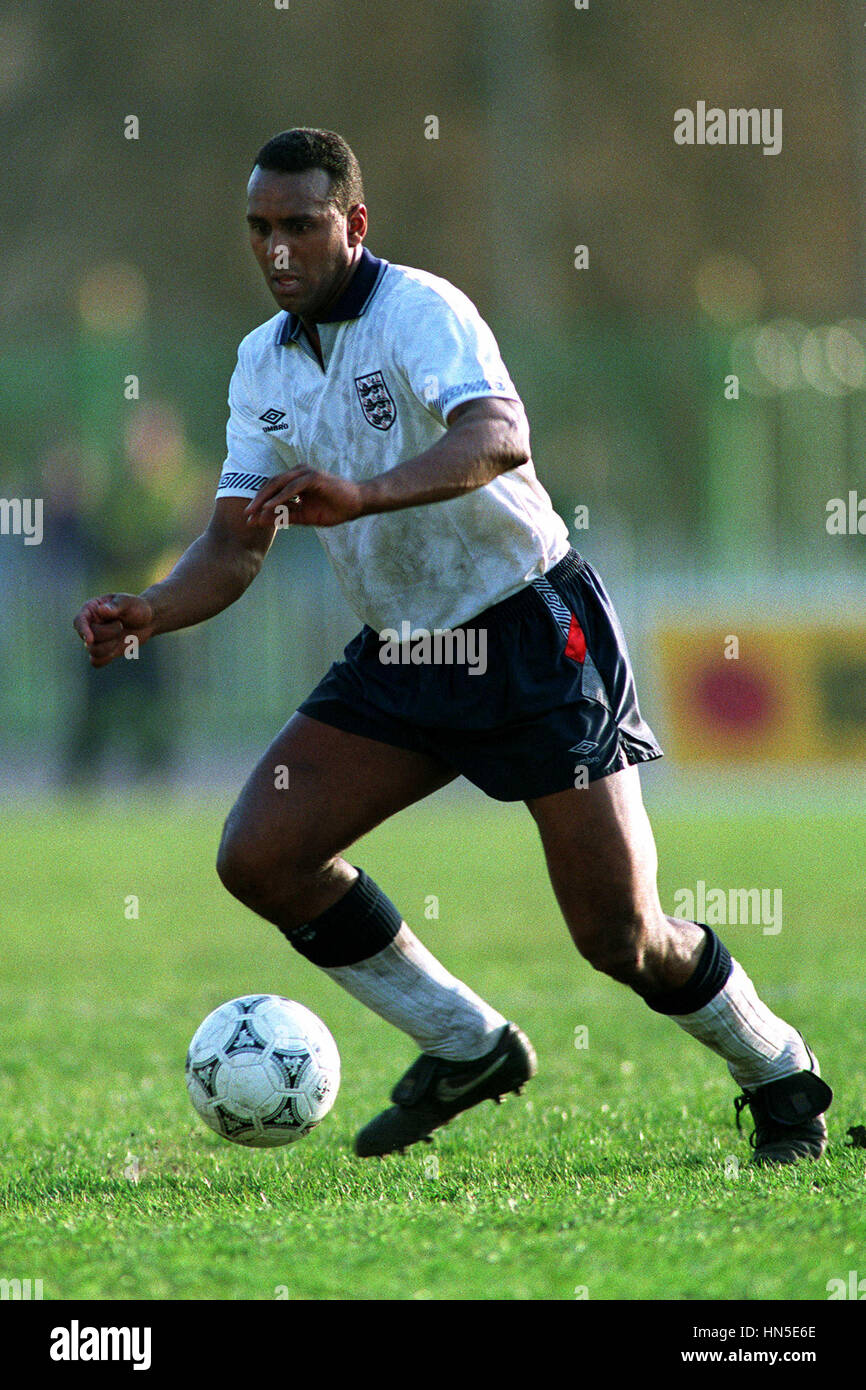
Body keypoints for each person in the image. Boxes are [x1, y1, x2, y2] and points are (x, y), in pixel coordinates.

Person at [73, 128, 831, 1164]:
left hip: (530, 631)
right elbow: (232, 543)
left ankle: (779, 1071)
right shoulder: (262, 364)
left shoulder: (419, 310)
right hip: (406, 649)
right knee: (263, 852)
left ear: (354, 222)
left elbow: (497, 435)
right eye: (259, 228)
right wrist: (152, 610)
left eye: (300, 224)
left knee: (621, 938)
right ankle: (465, 1043)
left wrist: (368, 494)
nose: (278, 249)